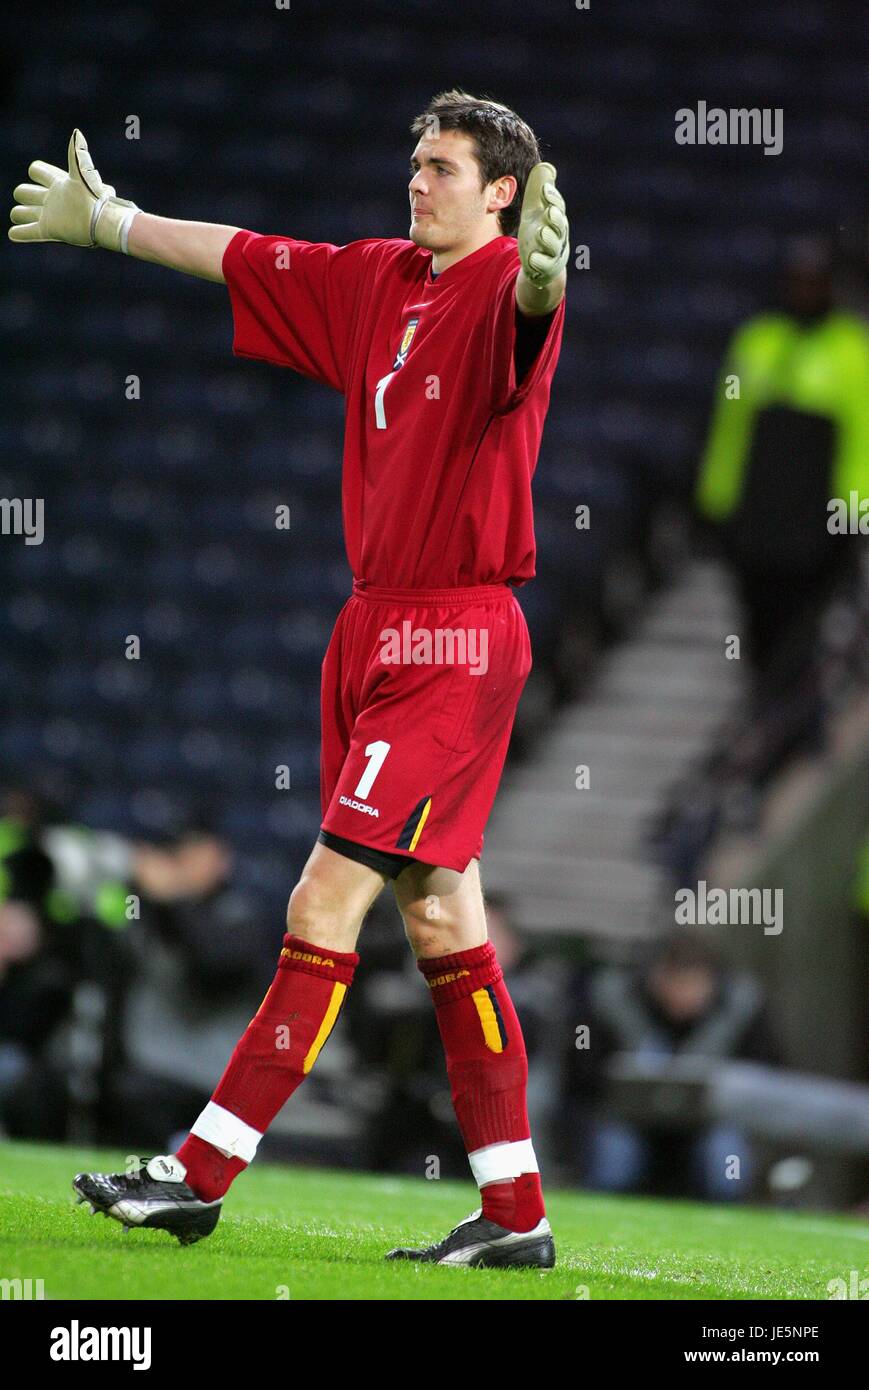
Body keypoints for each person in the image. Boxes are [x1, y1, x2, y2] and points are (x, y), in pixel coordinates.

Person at [10, 89, 569, 1266]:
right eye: (414, 161)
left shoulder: (500, 286)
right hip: (369, 629)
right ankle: (514, 1212)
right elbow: (246, 257)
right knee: (440, 920)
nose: (417, 180)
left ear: (501, 193)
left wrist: (539, 283)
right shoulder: (378, 278)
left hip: (454, 638)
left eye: (443, 168)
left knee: (321, 902)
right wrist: (111, 224)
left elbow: (529, 315)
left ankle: (197, 1173)